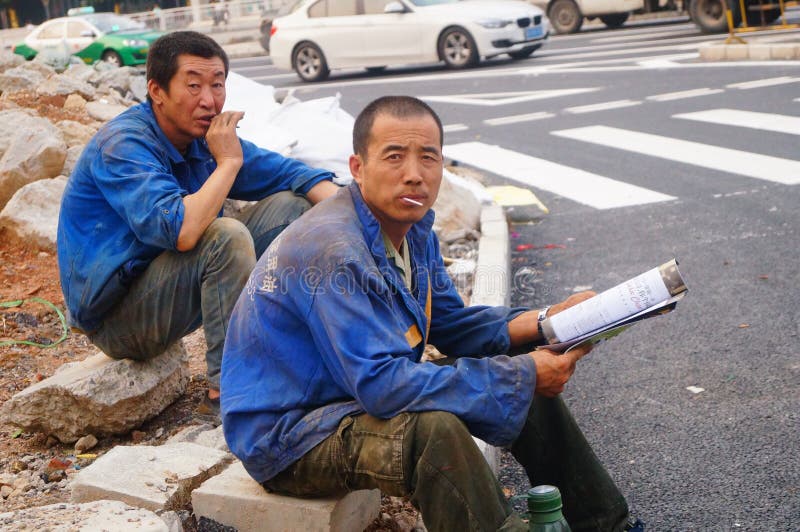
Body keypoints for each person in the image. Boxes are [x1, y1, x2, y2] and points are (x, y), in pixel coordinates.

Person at [221, 96, 643, 531]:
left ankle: (605, 523)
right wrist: (522, 374)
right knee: (435, 431)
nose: (414, 174)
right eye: (394, 157)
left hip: (348, 397)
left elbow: (450, 324)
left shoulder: (411, 228)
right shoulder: (334, 249)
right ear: (358, 167)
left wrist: (549, 320)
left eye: (428, 157)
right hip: (291, 435)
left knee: (520, 379)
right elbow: (382, 387)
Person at [57, 31, 338, 420]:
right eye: (193, 86)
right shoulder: (123, 145)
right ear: (157, 91)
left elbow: (294, 174)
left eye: (217, 84)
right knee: (224, 237)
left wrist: (365, 219)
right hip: (119, 321)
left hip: (166, 287)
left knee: (294, 207)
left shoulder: (200, 136)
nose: (209, 100)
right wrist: (228, 163)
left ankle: (299, 355)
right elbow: (183, 232)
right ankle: (228, 394)